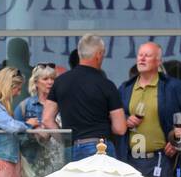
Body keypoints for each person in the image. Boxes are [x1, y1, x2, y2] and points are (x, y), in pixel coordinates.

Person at [48, 34, 127, 162]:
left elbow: (47, 119)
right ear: (99, 54)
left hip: (71, 148)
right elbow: (120, 128)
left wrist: (66, 141)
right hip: (100, 148)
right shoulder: (106, 84)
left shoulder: (60, 82)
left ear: (80, 53)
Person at [118, 42, 181, 177]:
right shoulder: (126, 87)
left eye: (147, 55)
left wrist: (177, 142)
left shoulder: (172, 86)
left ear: (158, 61)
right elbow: (113, 114)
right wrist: (125, 119)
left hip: (161, 159)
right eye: (140, 55)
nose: (142, 59)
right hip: (130, 160)